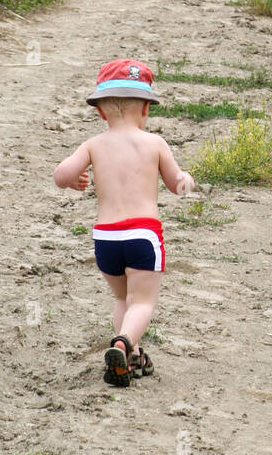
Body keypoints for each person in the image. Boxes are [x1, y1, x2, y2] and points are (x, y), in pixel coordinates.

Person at [53, 58, 195, 387]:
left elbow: (61, 175)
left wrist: (74, 181)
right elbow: (178, 186)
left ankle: (128, 357)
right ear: (146, 108)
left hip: (106, 239)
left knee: (123, 300)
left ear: (101, 112)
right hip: (143, 236)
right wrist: (188, 179)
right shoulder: (155, 143)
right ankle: (122, 344)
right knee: (143, 301)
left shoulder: (94, 145)